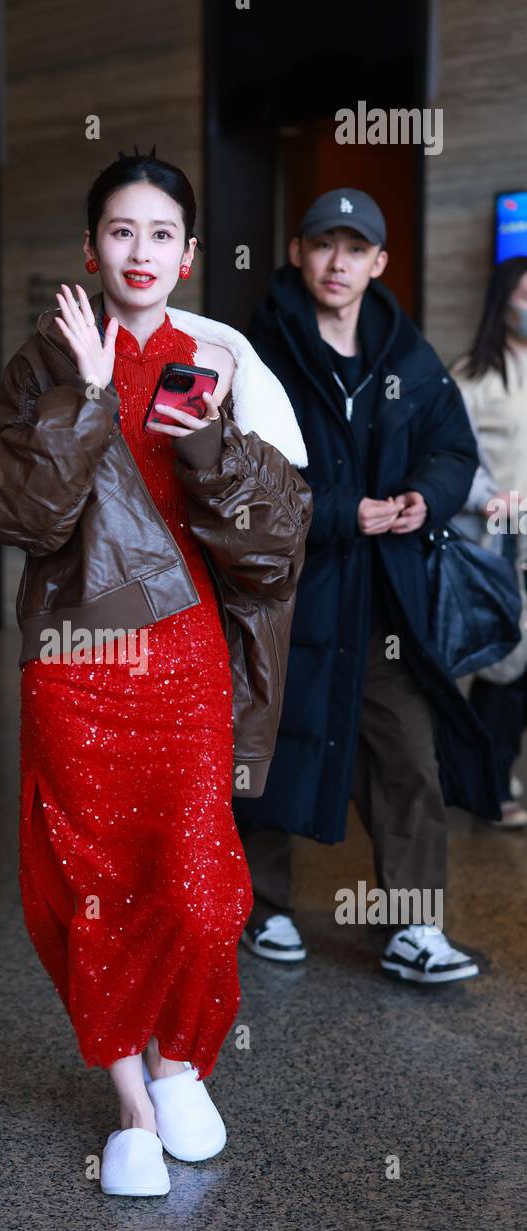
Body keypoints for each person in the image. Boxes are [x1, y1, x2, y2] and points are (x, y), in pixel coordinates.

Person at [0, 149, 312, 1196]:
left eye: (161, 234)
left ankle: (183, 1055)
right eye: (119, 231)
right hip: (78, 661)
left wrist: (208, 445)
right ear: (88, 247)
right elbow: (7, 511)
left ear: (190, 254)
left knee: (199, 888)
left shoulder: (225, 359)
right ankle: (135, 1106)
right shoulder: (42, 362)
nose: (139, 251)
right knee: (94, 887)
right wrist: (90, 393)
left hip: (190, 659)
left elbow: (276, 541)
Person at [232, 187, 500, 984]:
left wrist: (429, 496)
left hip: (386, 601)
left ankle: (413, 926)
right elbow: (239, 474)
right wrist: (347, 510)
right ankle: (264, 907)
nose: (338, 262)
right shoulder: (260, 352)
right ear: (297, 252)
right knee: (274, 747)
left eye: (355, 249)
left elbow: (455, 449)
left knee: (408, 759)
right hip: (293, 595)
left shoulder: (405, 353)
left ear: (379, 263)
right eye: (323, 245)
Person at [450, 255, 527, 829]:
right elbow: (456, 462)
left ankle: (493, 773)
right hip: (497, 541)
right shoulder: (470, 379)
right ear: (503, 301)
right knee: (503, 663)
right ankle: (488, 784)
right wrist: (490, 500)